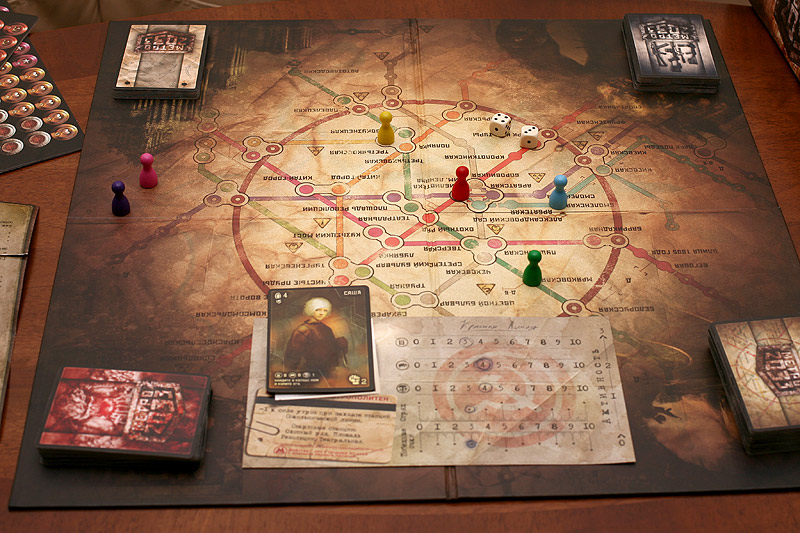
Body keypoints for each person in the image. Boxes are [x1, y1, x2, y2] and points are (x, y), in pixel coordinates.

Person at [284, 297, 348, 378]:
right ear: (311, 310)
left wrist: (340, 344)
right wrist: (290, 376)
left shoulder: (327, 329)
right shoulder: (303, 330)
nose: (321, 313)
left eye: (325, 310)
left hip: (329, 373)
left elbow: (331, 353)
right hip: (311, 373)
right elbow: (292, 357)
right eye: (318, 310)